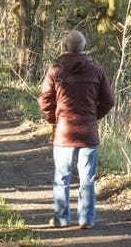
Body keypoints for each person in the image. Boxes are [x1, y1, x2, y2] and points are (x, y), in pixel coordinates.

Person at [37, 30, 114, 230]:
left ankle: (61, 219)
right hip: (88, 132)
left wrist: (54, 120)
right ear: (83, 47)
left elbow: (45, 100)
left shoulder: (55, 71)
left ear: (65, 47)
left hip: (63, 132)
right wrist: (92, 117)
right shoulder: (97, 71)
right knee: (87, 178)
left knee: (61, 176)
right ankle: (86, 220)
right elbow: (108, 101)